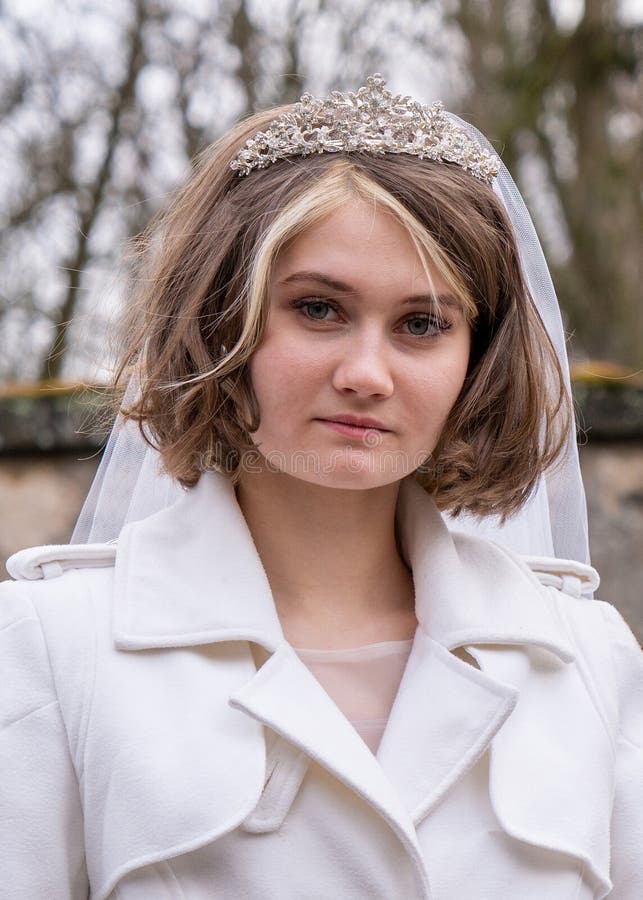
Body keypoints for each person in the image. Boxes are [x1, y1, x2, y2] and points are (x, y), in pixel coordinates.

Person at [1, 75, 641, 900]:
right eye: (317, 309)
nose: (366, 373)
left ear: (474, 358)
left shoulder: (585, 657)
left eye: (421, 324)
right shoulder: (54, 647)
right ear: (220, 321)